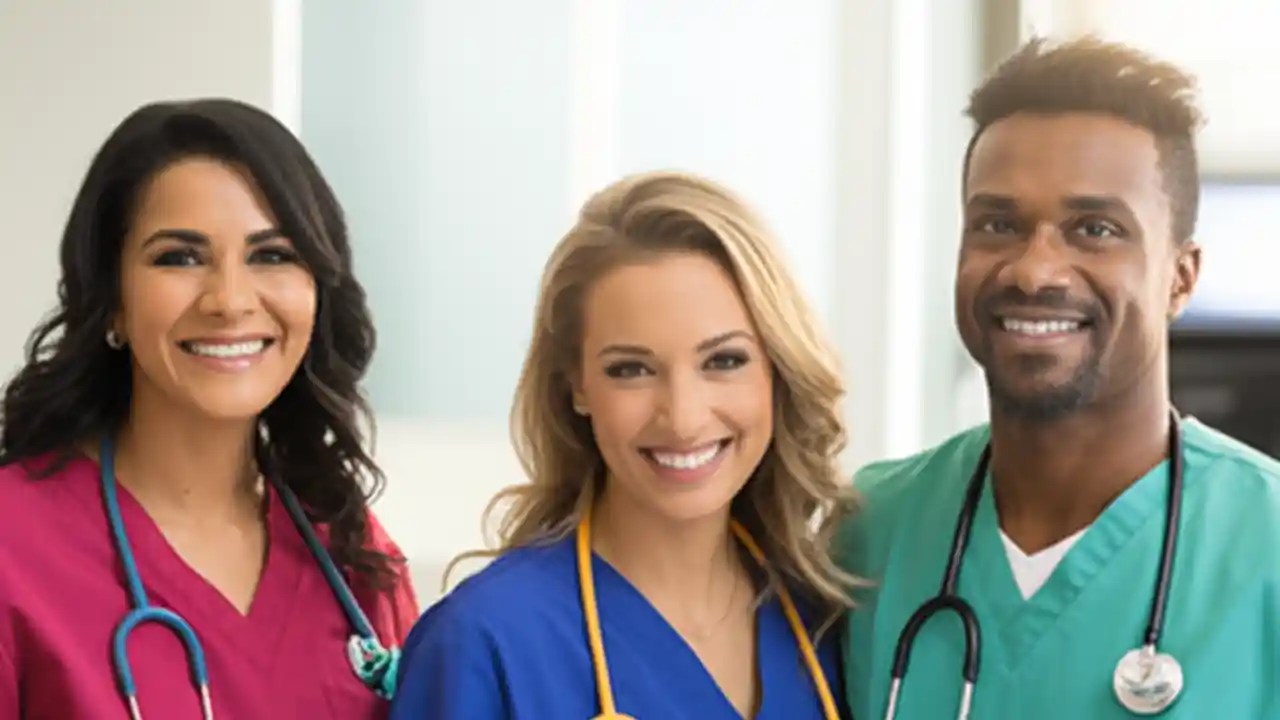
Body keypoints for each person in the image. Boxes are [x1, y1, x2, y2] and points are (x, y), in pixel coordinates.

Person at [837, 36, 1280, 719]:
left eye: (1094, 228)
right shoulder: (870, 533)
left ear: (1180, 277)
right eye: (998, 223)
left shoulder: (1267, 544)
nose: (1034, 270)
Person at [0, 99, 419, 718]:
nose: (229, 300)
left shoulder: (355, 557)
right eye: (180, 257)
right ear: (111, 301)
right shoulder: (15, 548)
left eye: (272, 255)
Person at [390, 171, 859, 719]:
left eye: (724, 361)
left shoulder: (823, 625)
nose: (683, 418)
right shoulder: (486, 645)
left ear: (778, 370)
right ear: (577, 387)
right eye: (631, 369)